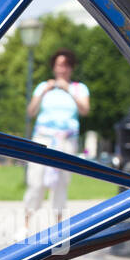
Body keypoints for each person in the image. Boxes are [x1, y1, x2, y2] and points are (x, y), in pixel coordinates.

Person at [23, 49, 90, 234]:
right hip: (43, 138)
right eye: (59, 65)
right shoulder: (44, 86)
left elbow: (85, 110)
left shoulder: (79, 88)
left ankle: (58, 228)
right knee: (35, 182)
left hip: (66, 140)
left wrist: (68, 89)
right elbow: (31, 111)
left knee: (61, 184)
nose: (62, 69)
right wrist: (44, 91)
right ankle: (26, 225)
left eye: (66, 65)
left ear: (71, 68)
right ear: (53, 67)